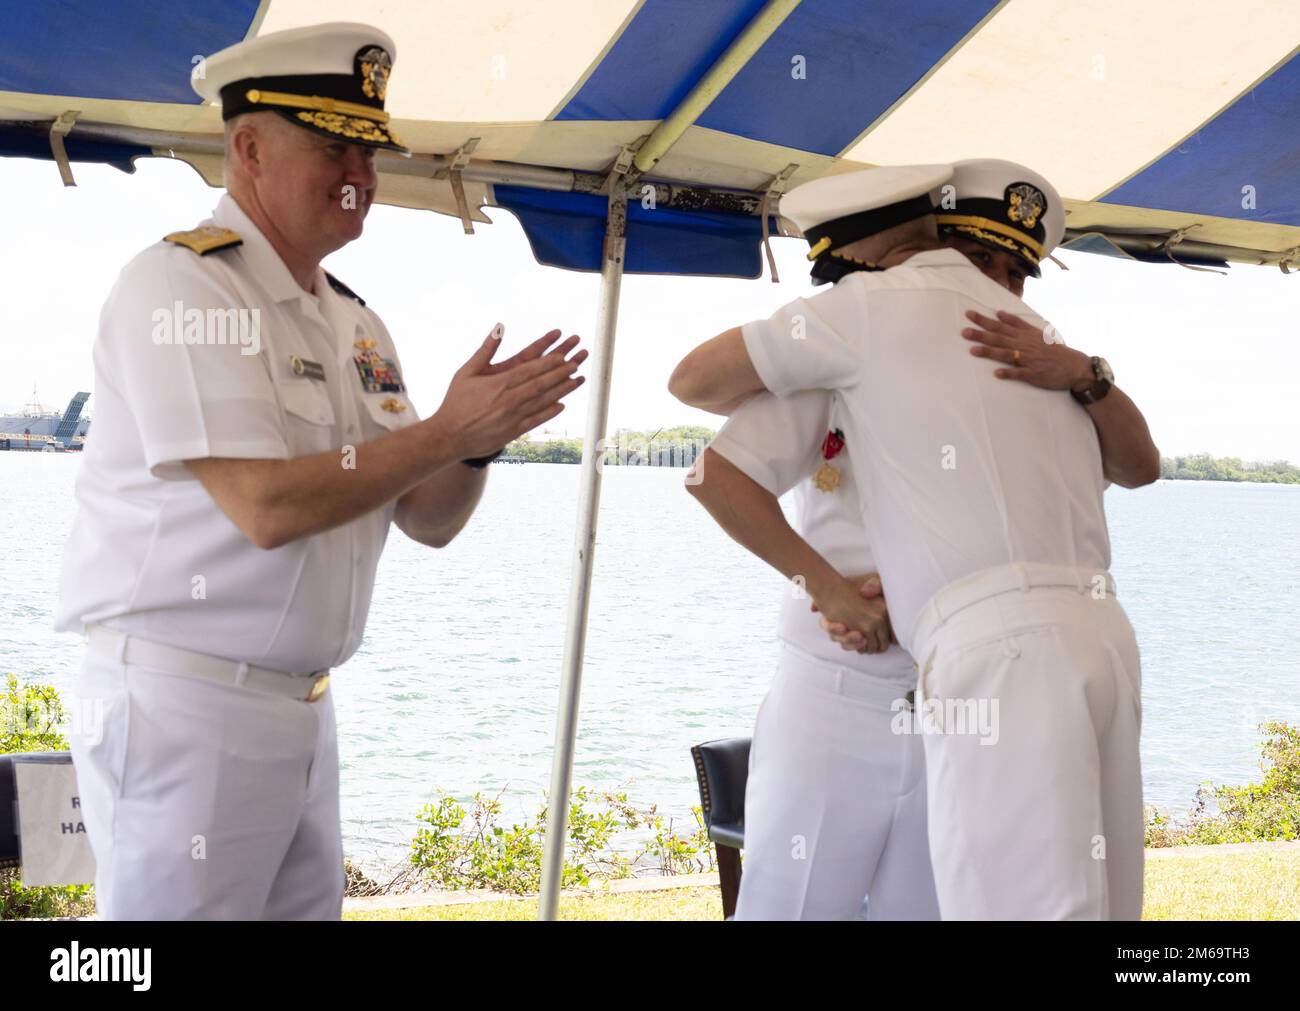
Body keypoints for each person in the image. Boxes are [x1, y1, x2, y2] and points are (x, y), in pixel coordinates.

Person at [55, 22, 585, 920]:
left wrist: (475, 441)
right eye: (334, 146)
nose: (363, 176)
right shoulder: (182, 289)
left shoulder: (354, 323)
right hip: (186, 703)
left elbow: (429, 515)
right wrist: (445, 427)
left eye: (369, 152)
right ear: (248, 148)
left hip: (302, 708)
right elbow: (263, 505)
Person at [669, 161, 1159, 919]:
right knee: (793, 906)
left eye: (1018, 273)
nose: (1003, 288)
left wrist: (1087, 375)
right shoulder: (846, 332)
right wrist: (827, 584)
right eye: (988, 261)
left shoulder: (1036, 355)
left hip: (956, 683)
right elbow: (714, 465)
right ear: (942, 246)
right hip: (842, 685)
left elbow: (1136, 467)